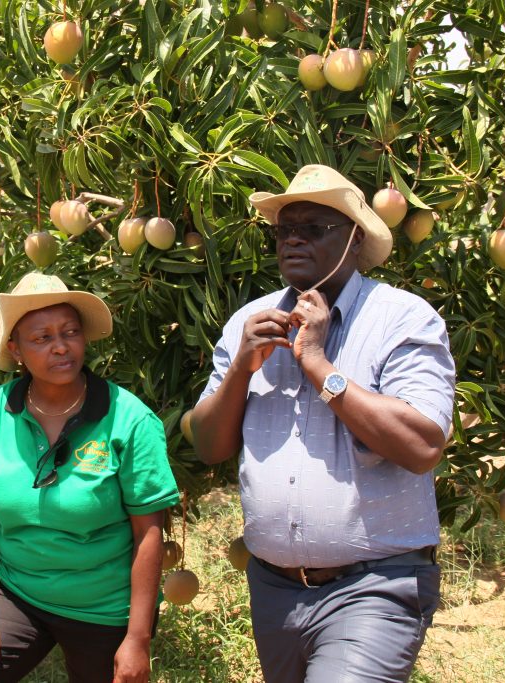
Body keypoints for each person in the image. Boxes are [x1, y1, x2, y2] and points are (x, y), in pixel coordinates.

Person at [192, 165, 455, 682]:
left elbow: (422, 445)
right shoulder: (250, 324)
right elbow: (207, 445)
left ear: (355, 238)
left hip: (376, 583)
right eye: (284, 229)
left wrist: (317, 364)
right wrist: (241, 369)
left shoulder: (402, 318)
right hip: (273, 589)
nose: (292, 239)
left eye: (313, 228)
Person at [0, 273, 180, 683]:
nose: (61, 346)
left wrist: (138, 639)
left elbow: (148, 534)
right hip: (19, 595)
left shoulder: (128, 418)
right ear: (16, 350)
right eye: (41, 338)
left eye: (69, 332)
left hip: (103, 606)